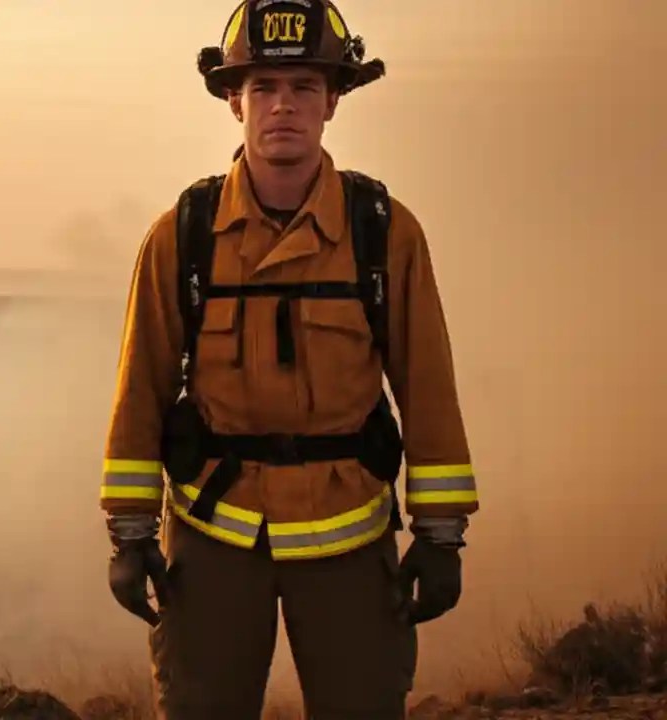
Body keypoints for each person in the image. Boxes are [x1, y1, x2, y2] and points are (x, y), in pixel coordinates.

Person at [99, 1, 478, 718]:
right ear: (233, 99)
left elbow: (428, 390)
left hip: (349, 532)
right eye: (265, 87)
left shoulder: (384, 232)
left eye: (305, 87)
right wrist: (129, 531)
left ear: (334, 100)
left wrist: (441, 536)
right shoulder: (183, 234)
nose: (284, 107)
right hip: (215, 537)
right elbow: (139, 392)